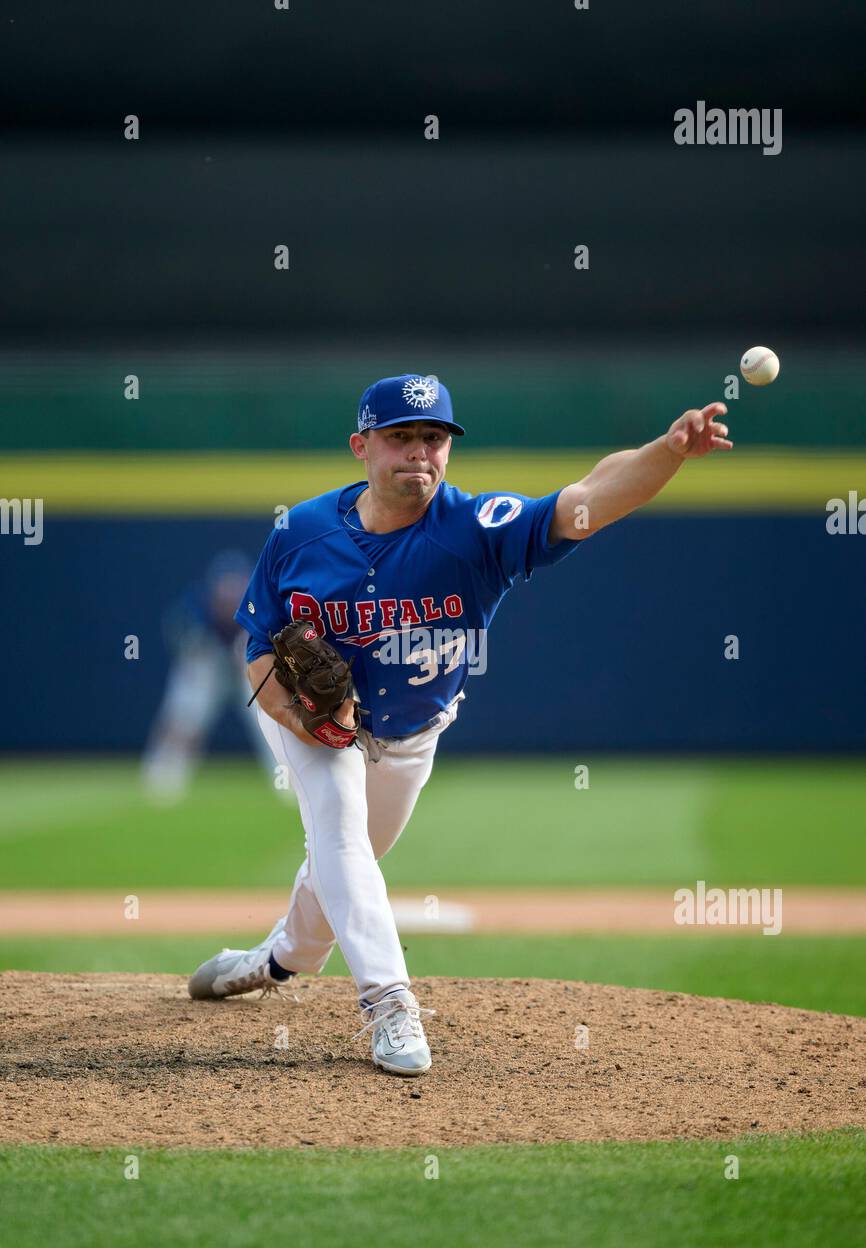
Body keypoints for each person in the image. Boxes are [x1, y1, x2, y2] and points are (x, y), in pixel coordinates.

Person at [188, 373, 731, 1075]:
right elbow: (259, 652)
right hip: (313, 726)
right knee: (340, 832)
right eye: (400, 437)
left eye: (434, 438)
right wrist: (301, 720)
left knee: (339, 878)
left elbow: (588, 499)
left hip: (413, 737)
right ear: (362, 446)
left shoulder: (478, 529)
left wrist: (669, 449)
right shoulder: (301, 533)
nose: (419, 452)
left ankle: (272, 962)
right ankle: (390, 1004)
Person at [142, 551, 294, 803]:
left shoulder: (259, 604)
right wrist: (201, 650)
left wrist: (248, 650)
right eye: (226, 588)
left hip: (245, 665)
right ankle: (165, 774)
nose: (230, 595)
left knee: (267, 713)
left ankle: (285, 778)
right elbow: (179, 637)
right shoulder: (196, 607)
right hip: (207, 665)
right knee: (187, 712)